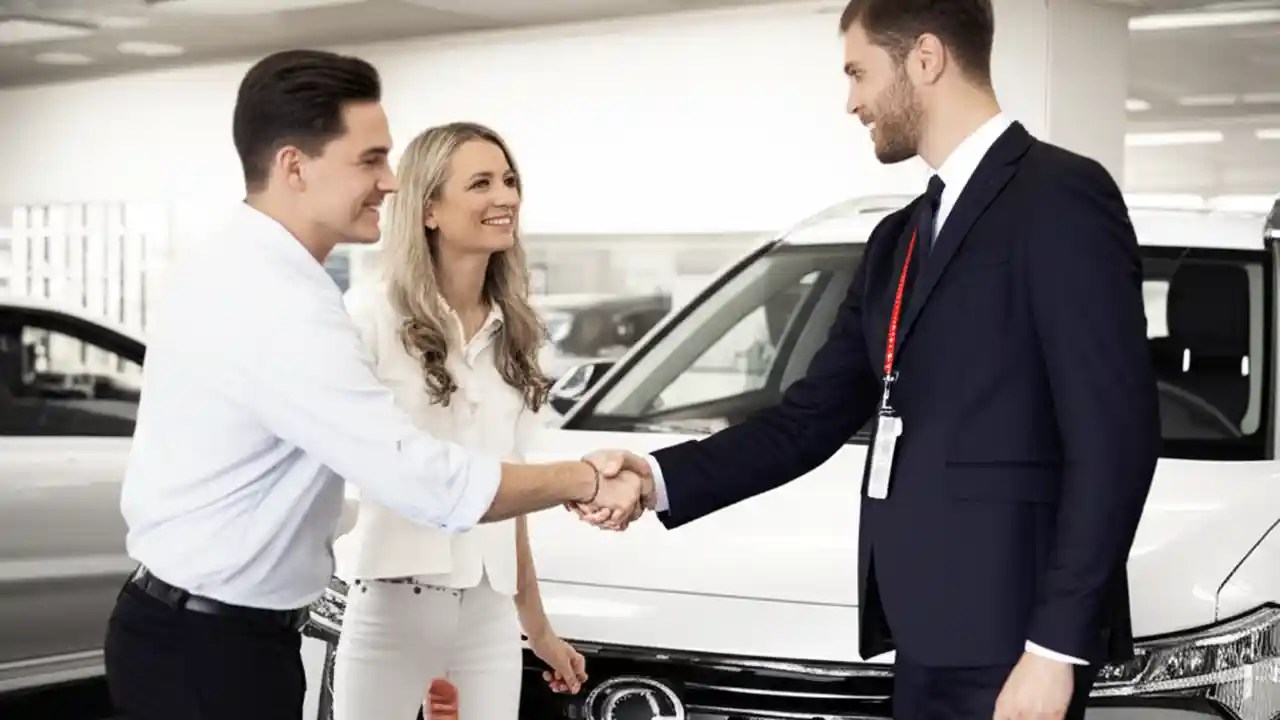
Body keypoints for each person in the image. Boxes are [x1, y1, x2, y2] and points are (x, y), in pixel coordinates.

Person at [575, 1, 1159, 718]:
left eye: (858, 73)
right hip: (922, 627)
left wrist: (1055, 650)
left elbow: (1115, 438)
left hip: (1015, 638)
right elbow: (807, 420)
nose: (850, 102)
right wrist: (657, 477)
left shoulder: (1060, 195)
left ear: (925, 59)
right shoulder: (898, 239)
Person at [103, 50, 642, 720]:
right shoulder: (283, 302)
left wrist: (534, 616)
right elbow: (421, 479)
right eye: (370, 160)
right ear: (295, 167)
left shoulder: (255, 271)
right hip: (212, 647)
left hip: (233, 637)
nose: (390, 182)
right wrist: (584, 478)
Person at [330, 122, 587, 720]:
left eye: (509, 180)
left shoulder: (518, 330)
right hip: (390, 603)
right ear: (429, 210)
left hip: (489, 611)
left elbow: (509, 490)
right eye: (481, 183)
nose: (505, 197)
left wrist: (538, 629)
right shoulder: (370, 315)